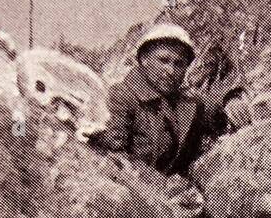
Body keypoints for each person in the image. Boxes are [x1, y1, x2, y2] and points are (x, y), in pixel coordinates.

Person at [94, 24, 233, 176]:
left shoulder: (188, 101)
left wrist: (232, 101)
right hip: (136, 189)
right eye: (163, 60)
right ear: (144, 60)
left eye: (179, 64)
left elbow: (217, 110)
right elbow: (116, 156)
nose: (171, 71)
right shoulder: (121, 96)